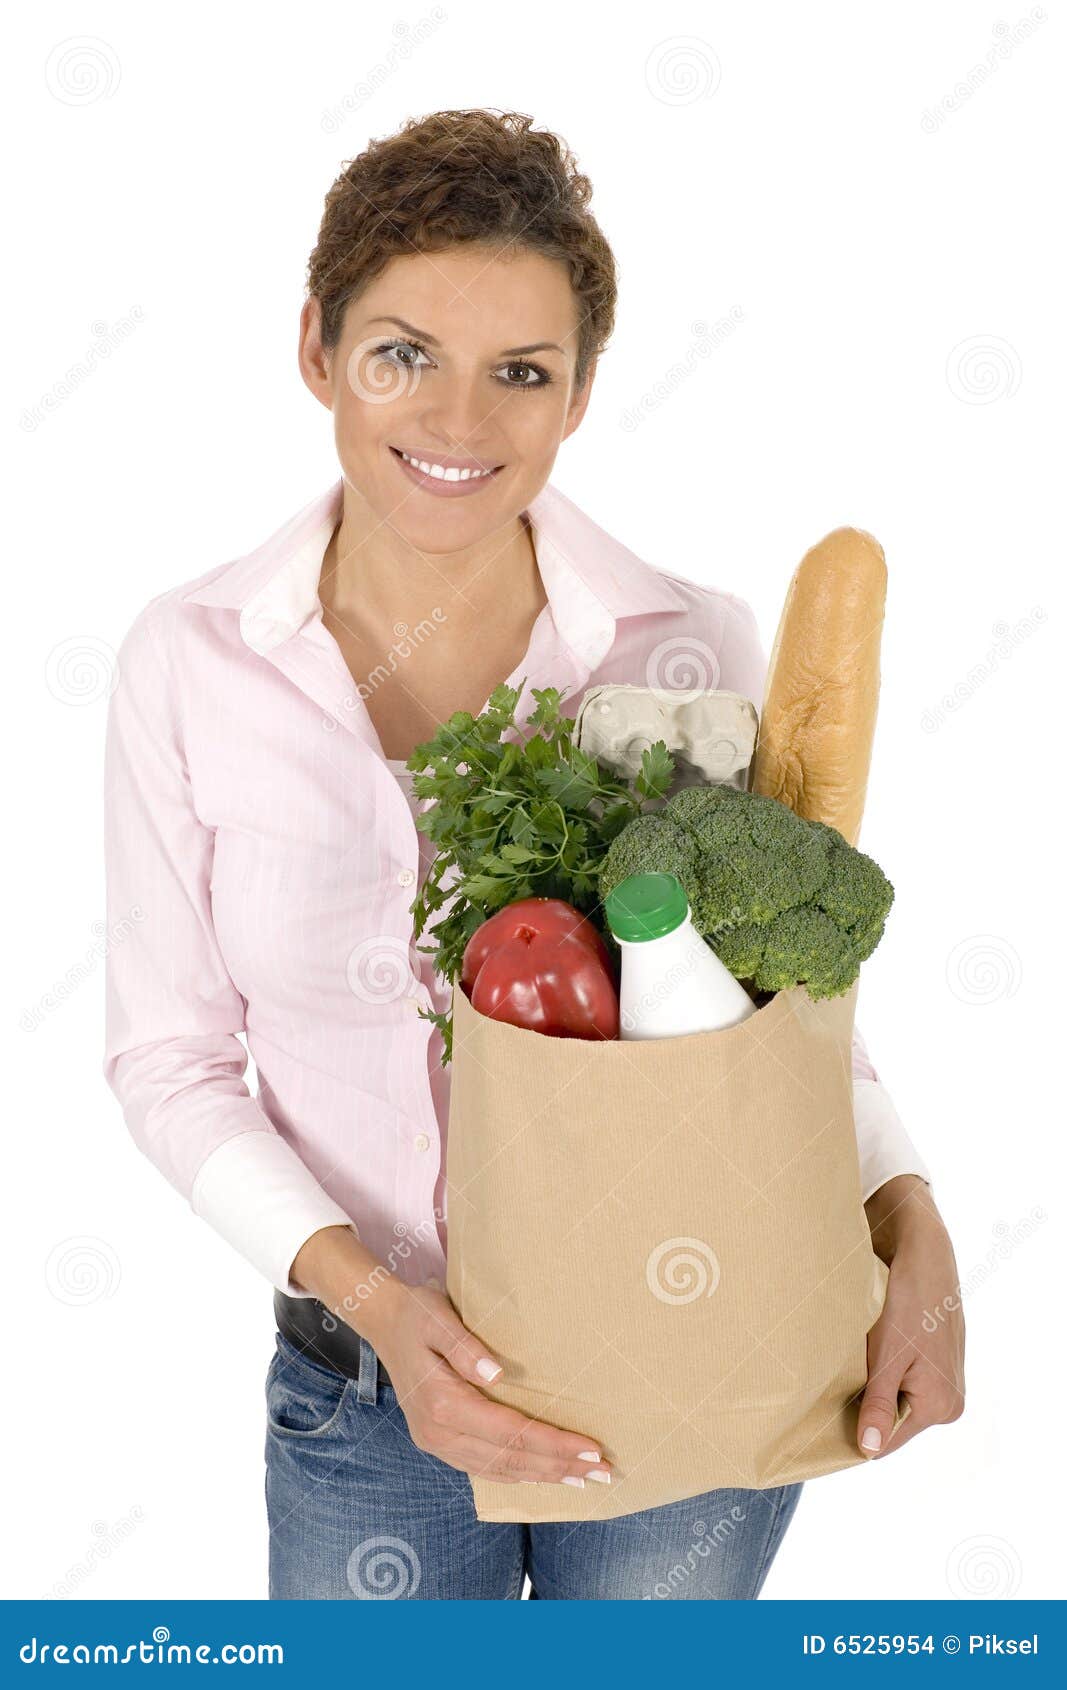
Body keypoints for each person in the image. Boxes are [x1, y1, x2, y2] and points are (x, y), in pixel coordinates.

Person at [102, 108, 965, 1601]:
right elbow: (166, 1061)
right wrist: (375, 1301)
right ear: (315, 349)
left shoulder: (683, 645)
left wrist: (917, 1223)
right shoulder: (191, 663)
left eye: (523, 372)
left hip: (685, 1347)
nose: (459, 420)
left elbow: (767, 1008)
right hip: (364, 1393)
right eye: (402, 352)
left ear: (577, 396)